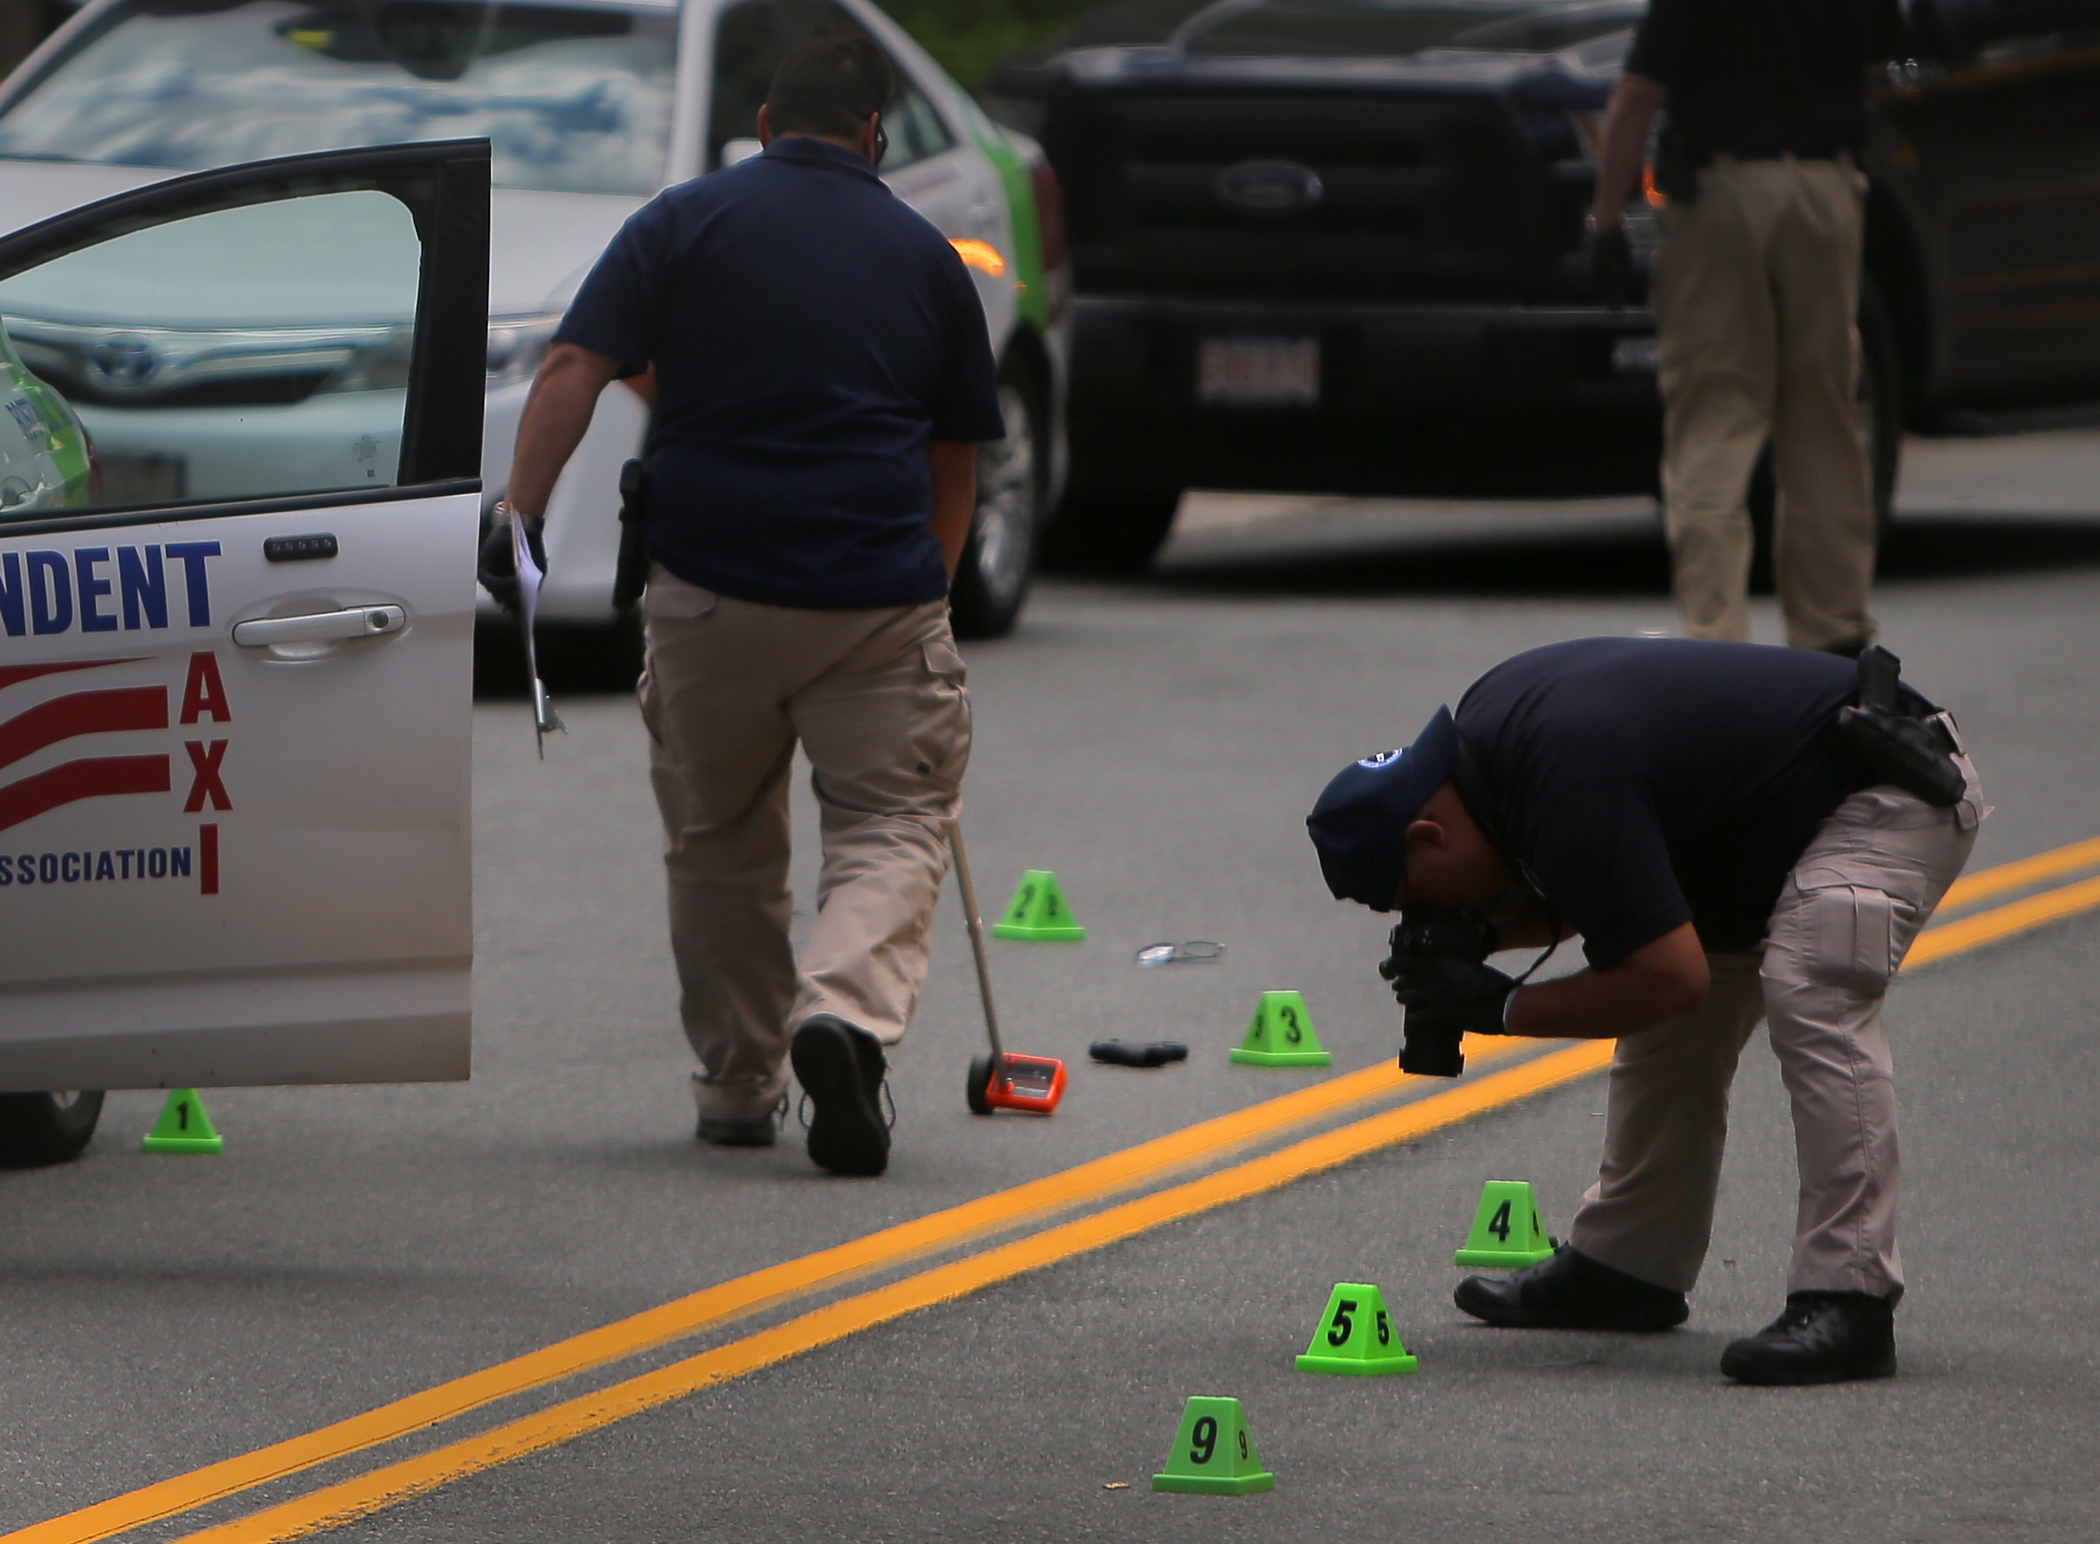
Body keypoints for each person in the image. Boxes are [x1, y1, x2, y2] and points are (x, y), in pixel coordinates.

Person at [480, 35, 1005, 1176]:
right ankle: (845, 1014)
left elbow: (573, 364)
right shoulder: (925, 256)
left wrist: (518, 514)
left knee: (716, 841)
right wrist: (934, 592)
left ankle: (735, 1084)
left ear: (764, 127)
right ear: (875, 136)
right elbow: (954, 461)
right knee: (889, 822)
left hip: (705, 590)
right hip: (871, 598)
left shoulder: (682, 223)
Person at [1306, 637, 1987, 1383]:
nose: (1439, 911)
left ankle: (1849, 1297)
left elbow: (1668, 978)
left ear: (1427, 834)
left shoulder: (1560, 775)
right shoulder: (1491, 749)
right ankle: (1627, 1268)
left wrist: (1503, 1007)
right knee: (1668, 1017)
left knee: (1813, 985)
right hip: (1763, 822)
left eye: (1418, 899)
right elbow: (1595, 880)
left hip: (1889, 782)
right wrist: (1488, 932)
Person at [1586, 0, 1907, 654]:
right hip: (1826, 187)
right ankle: (1833, 630)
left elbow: (1639, 92)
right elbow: (1883, 58)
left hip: (1721, 190)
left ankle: (1715, 633)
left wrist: (1607, 220)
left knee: (1717, 410)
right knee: (1823, 411)